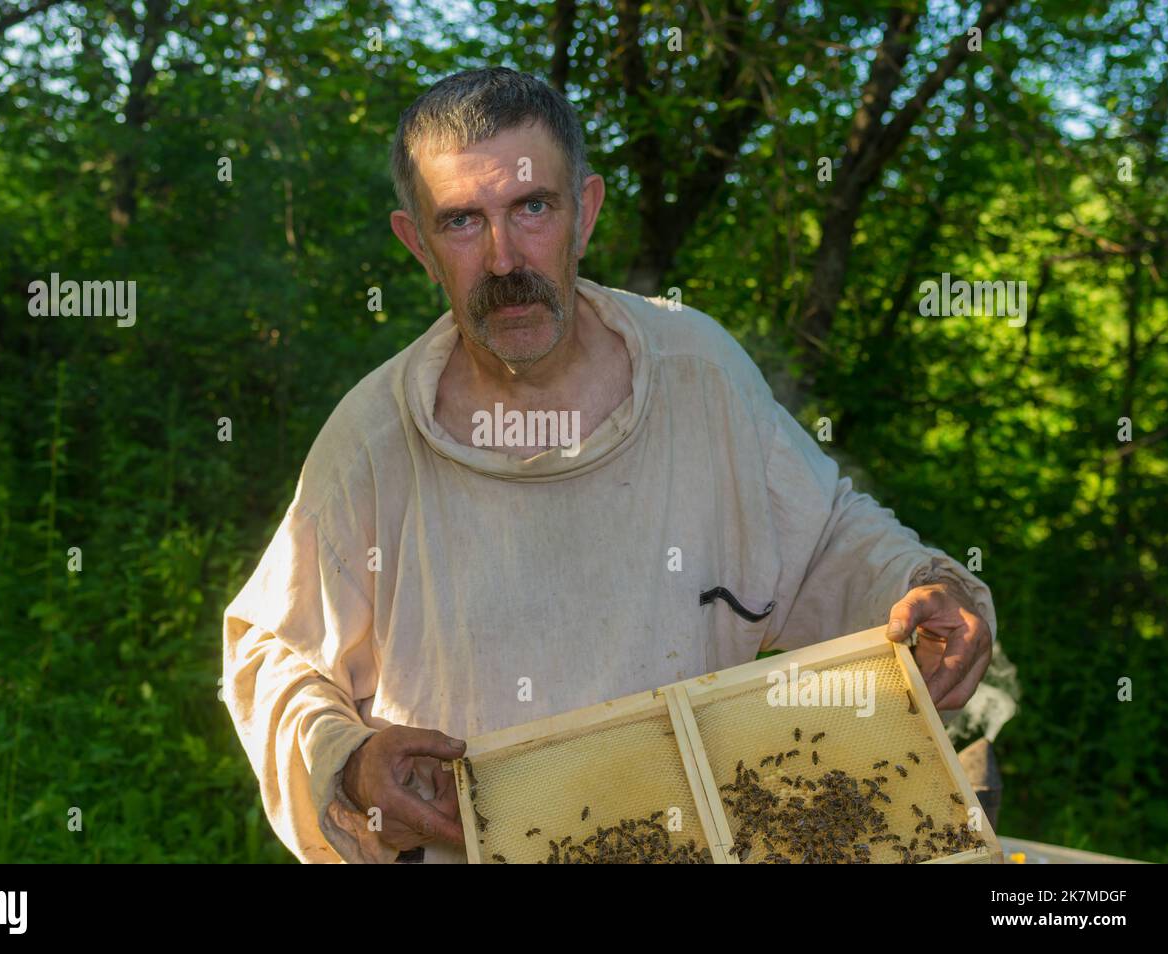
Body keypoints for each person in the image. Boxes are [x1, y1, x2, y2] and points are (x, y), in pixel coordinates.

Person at [221, 67, 995, 864]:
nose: (502, 258)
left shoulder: (698, 369)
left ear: (583, 212)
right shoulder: (373, 441)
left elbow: (826, 534)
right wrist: (346, 764)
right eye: (461, 221)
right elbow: (270, 654)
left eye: (531, 208)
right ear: (417, 243)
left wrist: (914, 584)